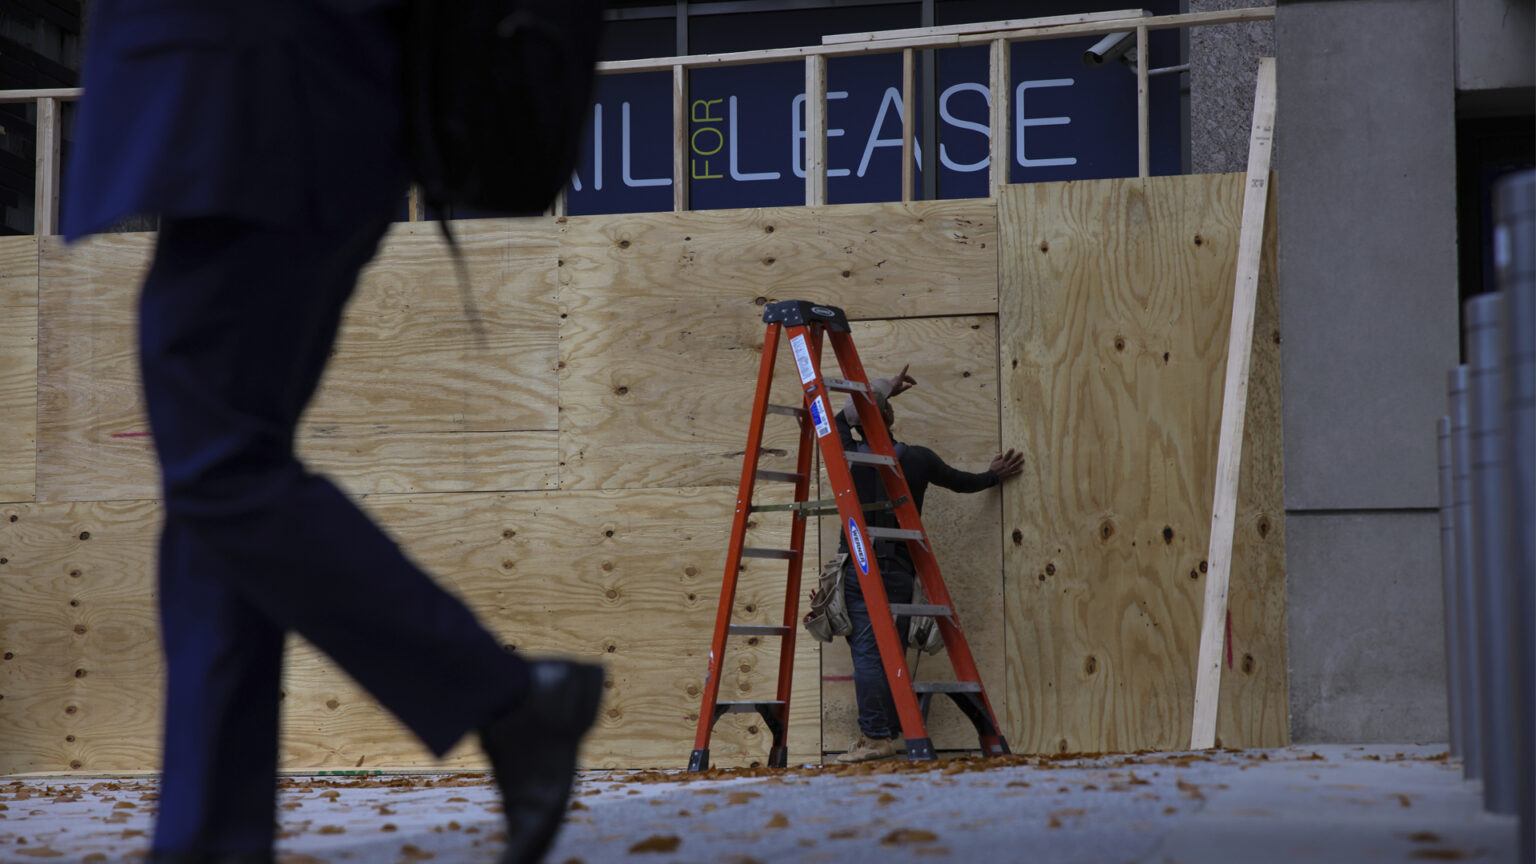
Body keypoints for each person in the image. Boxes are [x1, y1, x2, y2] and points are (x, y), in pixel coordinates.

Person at [61, 3, 602, 863]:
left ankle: (506, 696)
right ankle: (209, 840)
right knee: (221, 493)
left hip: (258, 101)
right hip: (308, 106)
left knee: (218, 473)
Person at [833, 366, 1024, 763]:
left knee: (868, 653)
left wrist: (883, 390)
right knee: (891, 653)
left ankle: (874, 737)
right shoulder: (918, 460)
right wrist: (993, 476)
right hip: (901, 573)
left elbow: (844, 415)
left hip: (862, 569)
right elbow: (962, 481)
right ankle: (894, 731)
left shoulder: (848, 453)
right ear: (891, 418)